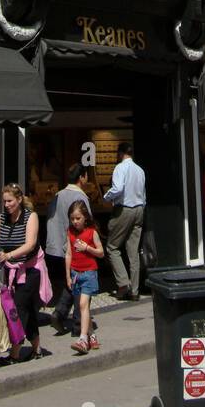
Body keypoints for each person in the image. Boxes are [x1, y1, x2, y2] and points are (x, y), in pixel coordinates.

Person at [0, 185, 51, 362]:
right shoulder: (3, 218)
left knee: (17, 309)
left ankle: (14, 353)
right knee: (26, 309)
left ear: (19, 200)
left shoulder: (31, 217)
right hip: (12, 270)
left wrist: (8, 255)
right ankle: (36, 349)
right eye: (4, 201)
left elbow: (30, 244)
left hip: (30, 269)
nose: (6, 205)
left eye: (10, 201)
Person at [46, 163, 92, 335]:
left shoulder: (58, 195)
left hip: (56, 247)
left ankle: (60, 313)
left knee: (72, 282)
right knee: (83, 284)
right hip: (74, 248)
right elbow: (87, 225)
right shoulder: (81, 198)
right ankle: (79, 324)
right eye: (86, 175)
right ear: (82, 177)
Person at [103, 142, 146, 300]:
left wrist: (106, 197)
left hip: (124, 209)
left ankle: (123, 282)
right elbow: (144, 194)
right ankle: (135, 291)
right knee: (133, 252)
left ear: (120, 153)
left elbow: (118, 188)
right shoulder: (140, 170)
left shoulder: (120, 168)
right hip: (139, 209)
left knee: (112, 247)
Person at [65, 201, 104, 355]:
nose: (75, 222)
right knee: (84, 308)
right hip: (76, 274)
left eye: (78, 218)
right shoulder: (70, 232)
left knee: (82, 305)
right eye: (72, 219)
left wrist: (87, 248)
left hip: (89, 273)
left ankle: (83, 339)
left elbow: (101, 252)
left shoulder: (91, 232)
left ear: (85, 218)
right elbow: (68, 253)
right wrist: (68, 275)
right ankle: (92, 335)